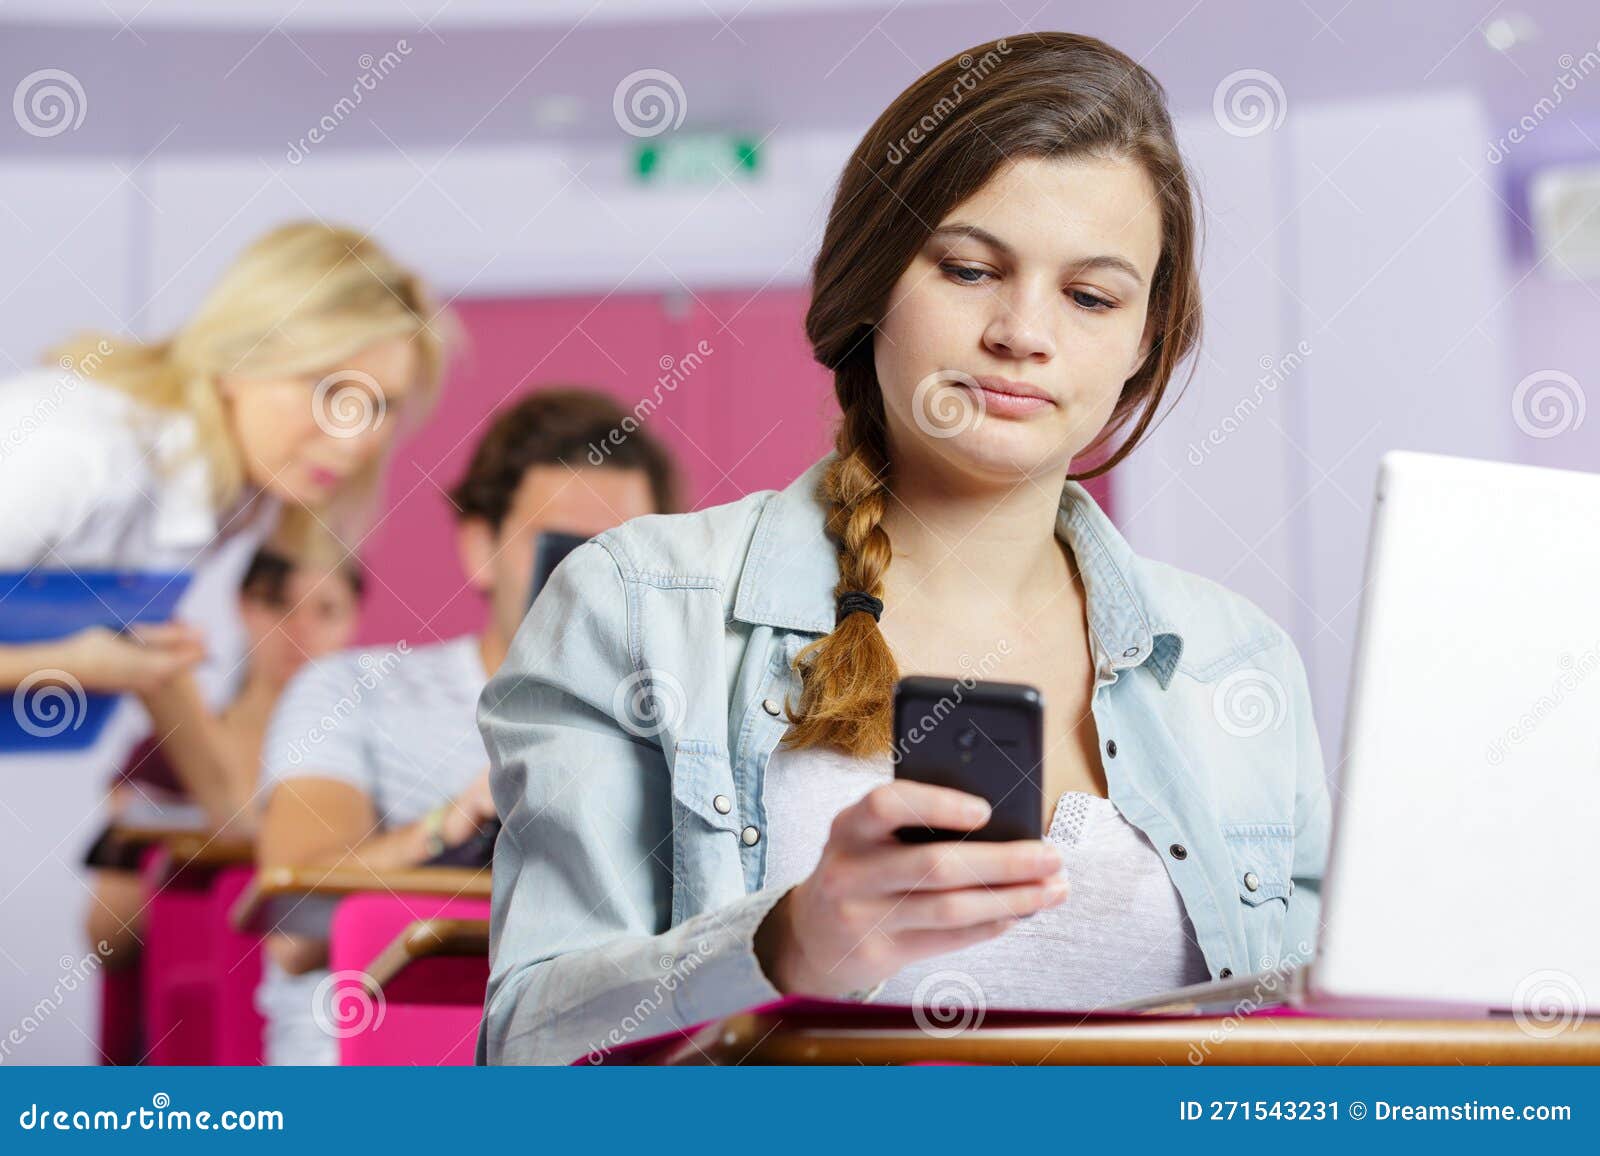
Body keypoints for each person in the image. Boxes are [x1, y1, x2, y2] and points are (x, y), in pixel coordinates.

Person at [477, 32, 1333, 1065]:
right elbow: (524, 1046)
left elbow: (1311, 1049)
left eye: (1091, 296)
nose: (1023, 332)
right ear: (876, 278)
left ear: (1144, 338)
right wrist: (789, 943)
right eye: (971, 269)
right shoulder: (638, 603)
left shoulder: (1237, 662)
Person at [254, 388, 680, 1065]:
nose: (592, 581)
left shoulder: (681, 729)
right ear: (480, 545)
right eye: (563, 548)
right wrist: (455, 823)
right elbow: (290, 923)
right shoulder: (352, 693)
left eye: (624, 555)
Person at [0, 220, 449, 829]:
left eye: (383, 404)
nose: (356, 436)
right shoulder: (78, 453)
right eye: (327, 388)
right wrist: (66, 664)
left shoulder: (236, 494)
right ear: (237, 360)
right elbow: (114, 658)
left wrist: (263, 849)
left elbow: (150, 662)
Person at [85, 542, 367, 963]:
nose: (300, 630)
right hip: (191, 993)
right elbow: (107, 941)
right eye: (278, 604)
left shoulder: (370, 759)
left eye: (325, 610)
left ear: (355, 619)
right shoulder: (165, 755)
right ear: (243, 605)